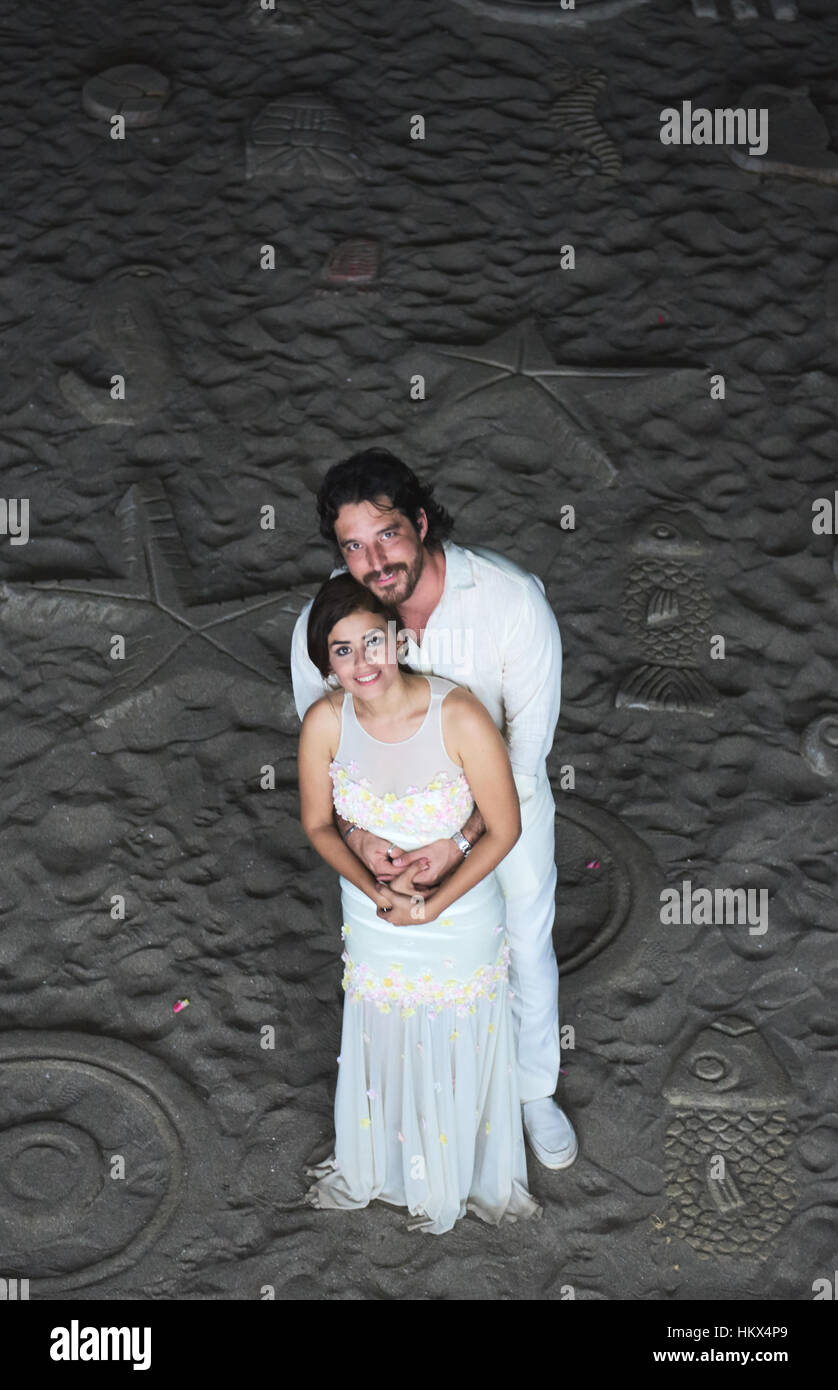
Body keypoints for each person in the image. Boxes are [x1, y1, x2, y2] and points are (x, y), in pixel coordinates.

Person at [291, 449, 577, 1171]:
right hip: (384, 821)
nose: (374, 560)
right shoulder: (329, 618)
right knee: (396, 959)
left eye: (387, 534)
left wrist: (459, 836)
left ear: (420, 523)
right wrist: (359, 834)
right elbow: (326, 740)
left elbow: (525, 751)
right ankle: (417, 1097)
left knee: (523, 934)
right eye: (353, 545)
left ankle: (533, 1090)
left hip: (498, 807)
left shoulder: (511, 603)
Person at [297, 573, 541, 1232]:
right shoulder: (325, 723)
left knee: (455, 1024)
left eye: (372, 641)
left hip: (457, 914)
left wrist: (438, 897)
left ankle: (457, 1167)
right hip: (374, 915)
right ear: (325, 664)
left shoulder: (456, 713)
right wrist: (369, 879)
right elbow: (319, 824)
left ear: (397, 638)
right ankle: (386, 1161)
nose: (362, 662)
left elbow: (505, 826)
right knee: (386, 1026)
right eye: (342, 651)